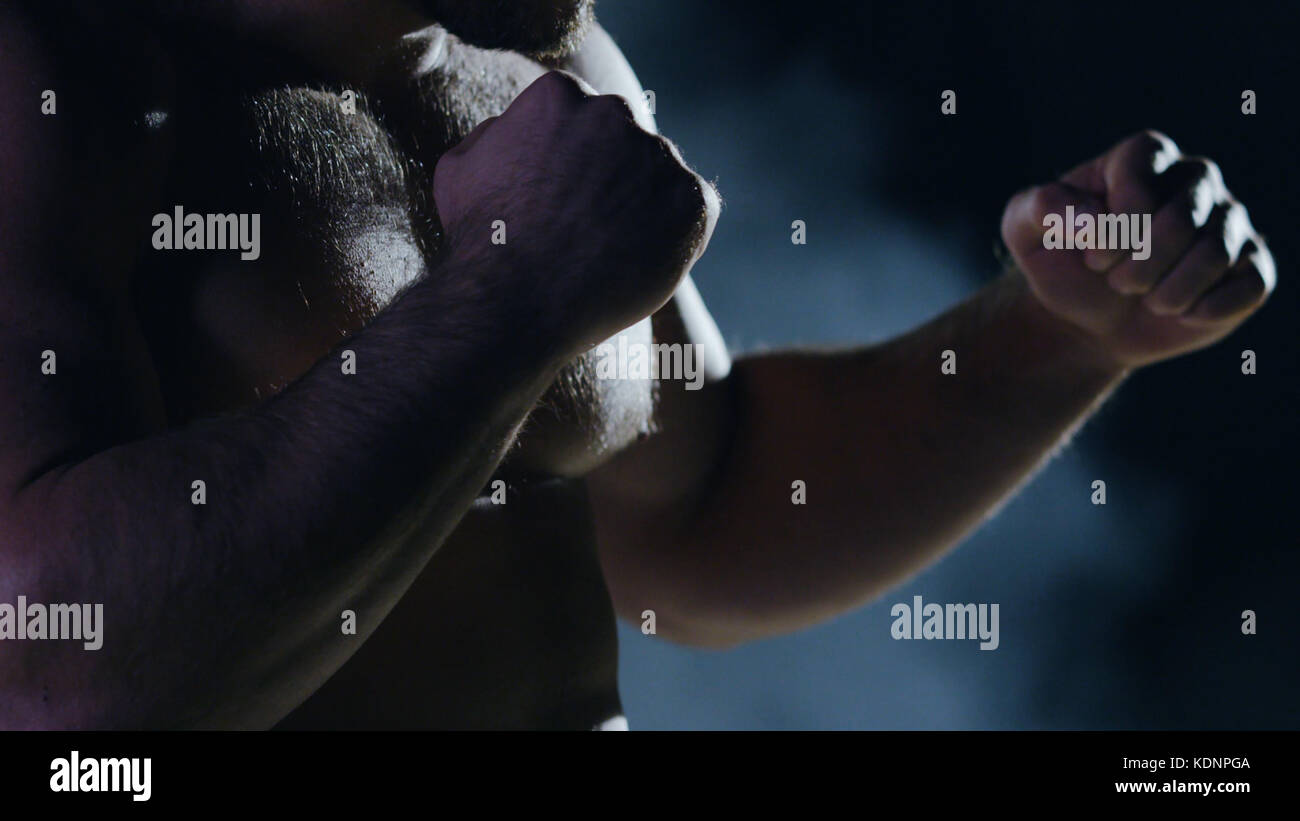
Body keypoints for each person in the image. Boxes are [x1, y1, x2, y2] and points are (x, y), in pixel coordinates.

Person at [0, 0, 1273, 729]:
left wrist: (1060, 334)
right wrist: (521, 290)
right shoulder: (53, 76)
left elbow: (699, 524)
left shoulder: (530, 44)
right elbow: (60, 672)